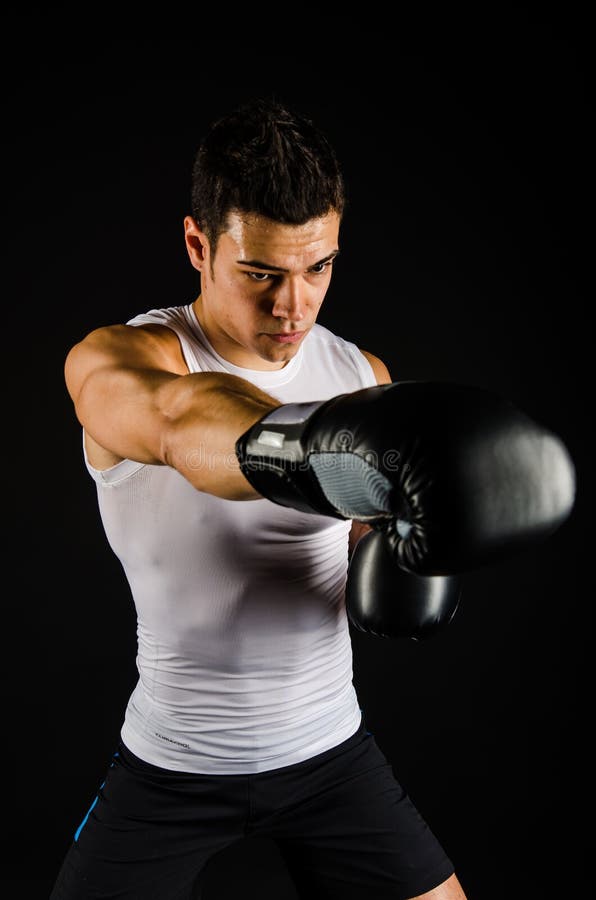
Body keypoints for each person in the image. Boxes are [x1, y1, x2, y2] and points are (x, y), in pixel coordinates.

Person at [50, 97, 574, 900]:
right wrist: (313, 449)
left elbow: (372, 544)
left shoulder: (362, 378)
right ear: (199, 244)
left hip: (331, 756)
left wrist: (411, 553)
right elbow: (178, 422)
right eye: (261, 274)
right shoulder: (125, 362)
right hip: (173, 766)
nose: (292, 306)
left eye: (317, 268)